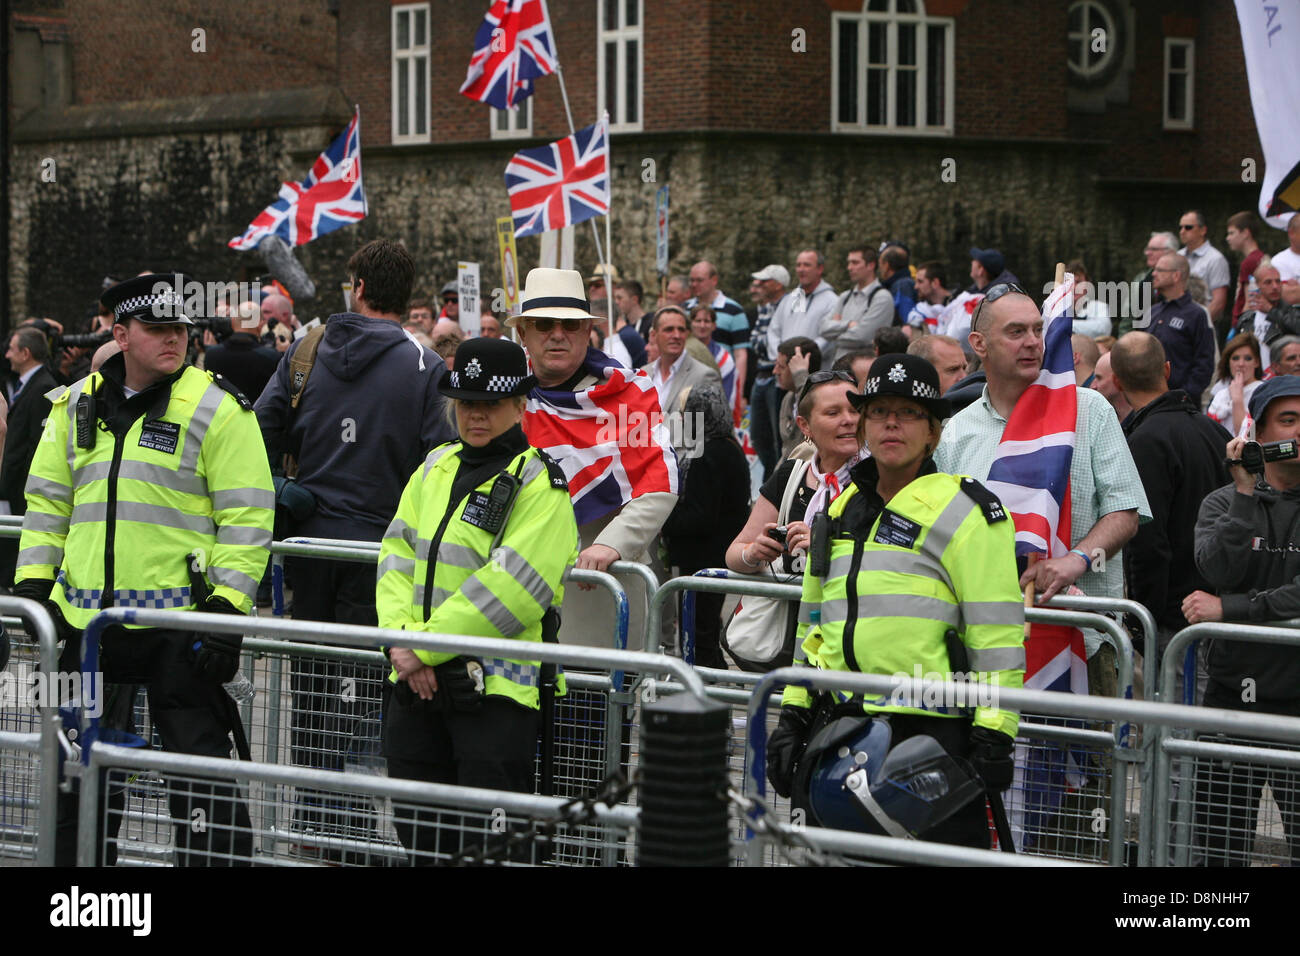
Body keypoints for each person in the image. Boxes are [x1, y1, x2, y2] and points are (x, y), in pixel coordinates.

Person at [14, 272, 274, 865]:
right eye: (157, 330)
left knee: (200, 784)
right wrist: (34, 588)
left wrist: (225, 612)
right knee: (76, 783)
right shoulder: (73, 404)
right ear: (122, 334)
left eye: (180, 329)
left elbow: (249, 518)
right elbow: (48, 503)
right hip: (84, 629)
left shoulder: (218, 408)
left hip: (180, 629)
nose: (173, 340)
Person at [766, 353, 1024, 847]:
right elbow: (812, 623)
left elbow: (997, 634)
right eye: (879, 411)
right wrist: (794, 713)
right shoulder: (839, 508)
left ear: (933, 432)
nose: (891, 424)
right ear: (862, 426)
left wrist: (995, 732)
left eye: (908, 413)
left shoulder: (970, 510)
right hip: (839, 723)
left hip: (932, 733)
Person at [255, 238, 455, 850]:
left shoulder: (306, 351)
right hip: (383, 558)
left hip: (312, 549)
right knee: (369, 692)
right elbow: (439, 462)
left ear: (358, 288)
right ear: (407, 295)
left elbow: (259, 426)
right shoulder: (425, 368)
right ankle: (359, 838)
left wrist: (285, 490)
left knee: (314, 689)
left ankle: (320, 829)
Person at [376, 337, 577, 864]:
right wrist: (403, 643)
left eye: (490, 403)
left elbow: (514, 589)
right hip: (417, 686)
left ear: (519, 406)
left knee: (488, 848)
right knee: (420, 838)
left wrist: (420, 648)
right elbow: (395, 557)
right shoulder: (434, 467)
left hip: (495, 698)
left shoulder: (541, 484)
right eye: (467, 402)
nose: (477, 415)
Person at [934, 283, 1149, 695]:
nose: (1033, 342)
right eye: (1016, 332)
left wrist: (1080, 559)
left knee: (1096, 761)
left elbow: (1126, 512)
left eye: (1038, 329)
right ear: (978, 344)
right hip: (988, 648)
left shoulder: (1090, 410)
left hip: (1087, 639)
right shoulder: (956, 433)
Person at [516, 268, 678, 650]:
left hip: (597, 600)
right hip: (514, 602)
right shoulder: (500, 396)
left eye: (571, 325)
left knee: (597, 706)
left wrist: (612, 544)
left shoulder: (628, 394)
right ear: (523, 332)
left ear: (587, 331)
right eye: (544, 324)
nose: (558, 334)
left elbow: (659, 482)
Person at [1185, 376, 1300, 864]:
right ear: (1257, 432)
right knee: (1220, 849)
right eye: (1290, 420)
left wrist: (1230, 608)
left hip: (1296, 702)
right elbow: (1218, 569)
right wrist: (1244, 492)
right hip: (1233, 697)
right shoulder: (1223, 501)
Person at [1109, 332, 1230, 693]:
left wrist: (1143, 620)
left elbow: (1147, 540)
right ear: (1167, 369)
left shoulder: (1145, 441)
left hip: (1174, 624)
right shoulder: (1216, 432)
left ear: (1116, 381)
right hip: (1212, 612)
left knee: (1174, 737)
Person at [725, 367, 858, 668]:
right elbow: (734, 554)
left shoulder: (880, 479)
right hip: (789, 636)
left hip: (850, 640)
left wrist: (824, 548)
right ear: (805, 425)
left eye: (855, 409)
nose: (848, 420)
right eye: (833, 412)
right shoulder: (792, 474)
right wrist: (754, 553)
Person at [660, 382, 750, 669]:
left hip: (703, 559)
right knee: (705, 627)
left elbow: (700, 516)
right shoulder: (729, 447)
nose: (683, 420)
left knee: (699, 630)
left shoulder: (709, 454)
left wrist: (664, 521)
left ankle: (703, 691)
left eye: (687, 413)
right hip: (716, 554)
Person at [0, 327, 59, 586]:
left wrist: (23, 489)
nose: (7, 354)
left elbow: (39, 446)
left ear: (25, 353)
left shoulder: (43, 387)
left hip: (23, 494)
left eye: (11, 349)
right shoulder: (28, 385)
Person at [641, 305, 723, 462]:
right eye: (669, 330)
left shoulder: (704, 376)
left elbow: (712, 435)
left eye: (681, 330)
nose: (676, 335)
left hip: (683, 470)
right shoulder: (643, 374)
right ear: (654, 335)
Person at [1145, 252, 1216, 406]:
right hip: (1149, 400)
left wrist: (1185, 395)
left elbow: (1204, 363)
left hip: (1182, 405)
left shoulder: (1197, 314)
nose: (1154, 274)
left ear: (1176, 276)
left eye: (1160, 270)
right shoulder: (1152, 312)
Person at [748, 264, 791, 480]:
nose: (760, 286)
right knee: (758, 435)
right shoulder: (765, 308)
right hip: (761, 374)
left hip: (775, 376)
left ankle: (777, 479)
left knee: (778, 434)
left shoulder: (787, 306)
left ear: (777, 284)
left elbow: (773, 343)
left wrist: (767, 345)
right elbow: (756, 342)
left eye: (765, 282)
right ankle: (769, 476)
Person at [821, 244, 892, 366]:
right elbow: (823, 328)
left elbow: (862, 336)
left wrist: (834, 331)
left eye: (855, 263)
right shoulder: (845, 297)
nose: (849, 267)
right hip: (838, 366)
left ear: (870, 265)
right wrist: (848, 324)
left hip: (864, 369)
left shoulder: (882, 298)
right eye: (849, 263)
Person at [686, 259, 749, 391]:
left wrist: (739, 389)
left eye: (699, 280)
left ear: (714, 280)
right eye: (691, 280)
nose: (694, 284)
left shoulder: (734, 310)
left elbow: (740, 354)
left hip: (722, 376)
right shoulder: (684, 309)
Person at [202, 302, 281, 403]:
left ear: (232, 322)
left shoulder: (211, 354)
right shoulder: (272, 357)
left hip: (222, 416)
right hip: (256, 416)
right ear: (260, 325)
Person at [766, 250, 836, 355]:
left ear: (820, 269)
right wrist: (781, 355)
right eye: (798, 265)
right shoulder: (790, 299)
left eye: (807, 265)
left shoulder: (832, 301)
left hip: (814, 367)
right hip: (784, 366)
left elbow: (828, 336)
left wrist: (803, 356)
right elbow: (773, 330)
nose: (801, 269)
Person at [1177, 209, 1231, 336]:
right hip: (1176, 326)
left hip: (1203, 329)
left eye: (1188, 227)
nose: (1182, 231)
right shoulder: (1177, 256)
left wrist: (1196, 326)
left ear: (1203, 230)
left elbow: (1218, 302)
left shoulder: (1216, 259)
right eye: (1180, 227)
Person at [1205, 332, 1264, 434]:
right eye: (1235, 358)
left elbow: (1248, 436)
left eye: (1248, 358)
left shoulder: (1263, 391)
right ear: (1228, 363)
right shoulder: (1221, 394)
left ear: (1257, 362)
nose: (1241, 364)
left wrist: (1237, 401)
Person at [773, 337, 820, 459]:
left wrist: (801, 376)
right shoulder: (788, 398)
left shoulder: (819, 398)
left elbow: (811, 401)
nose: (775, 371)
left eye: (781, 366)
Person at [688, 303, 737, 408]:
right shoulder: (681, 351)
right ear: (691, 324)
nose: (702, 325)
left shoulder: (723, 357)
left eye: (706, 321)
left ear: (714, 325)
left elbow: (726, 394)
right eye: (698, 321)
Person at [1225, 211, 1265, 329]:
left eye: (1232, 233)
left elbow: (1249, 301)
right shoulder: (1259, 257)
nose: (1228, 238)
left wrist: (1240, 327)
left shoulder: (1250, 262)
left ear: (1246, 233)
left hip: (1244, 323)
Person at [1067, 261, 1112, 338]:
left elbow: (1104, 329)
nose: (1074, 287)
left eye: (1078, 282)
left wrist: (1065, 325)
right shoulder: (1056, 310)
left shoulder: (1099, 307)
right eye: (1069, 282)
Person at [1091, 350, 1134, 423]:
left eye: (1099, 378)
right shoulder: (1101, 419)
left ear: (1117, 380)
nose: (1093, 386)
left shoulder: (1146, 421)